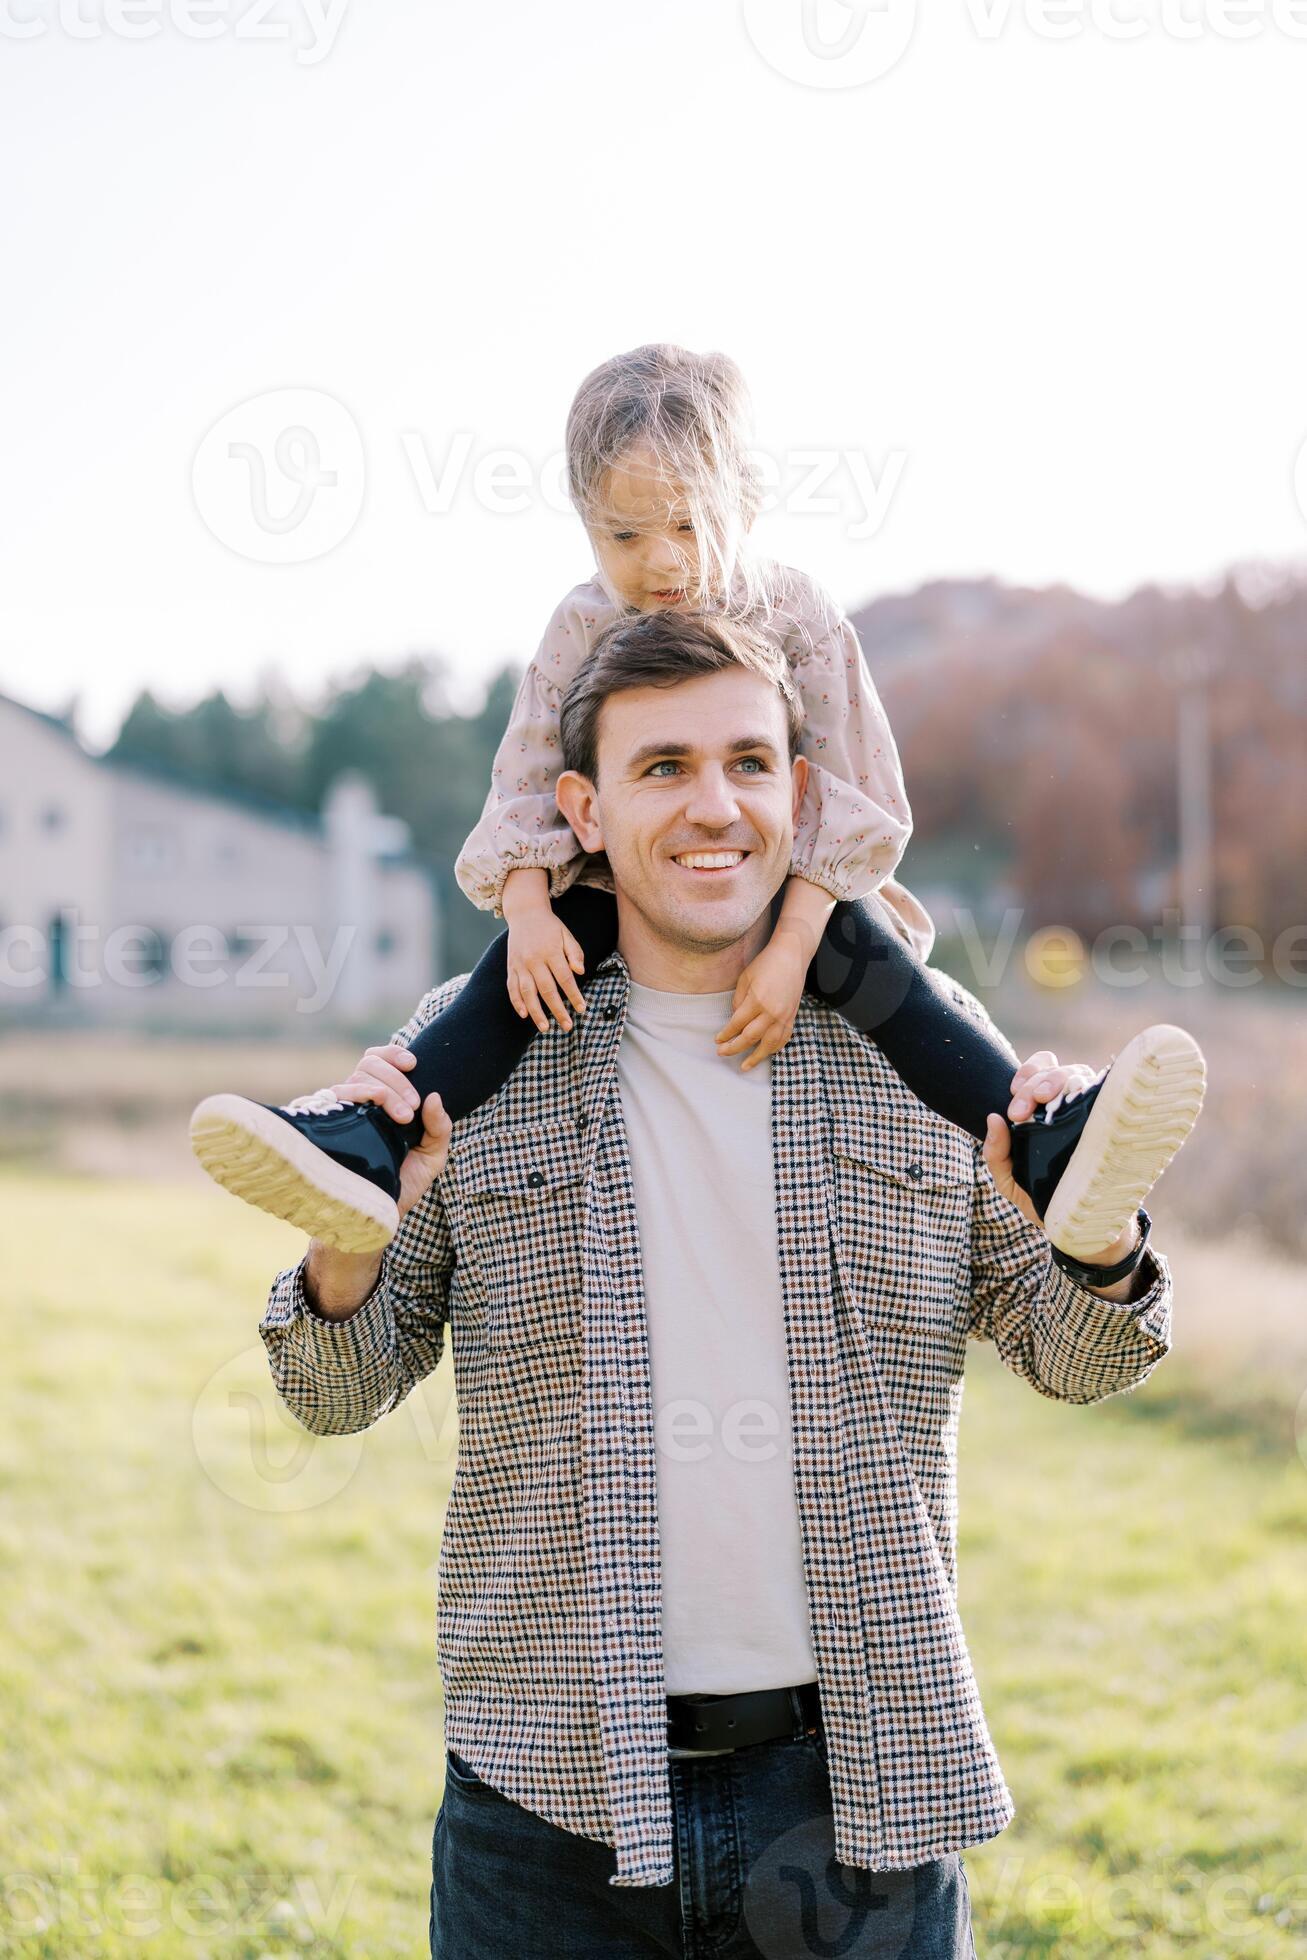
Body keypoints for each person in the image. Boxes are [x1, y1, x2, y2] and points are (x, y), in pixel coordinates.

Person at [260, 610, 1190, 1957]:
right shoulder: (463, 1067)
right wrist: (349, 1240)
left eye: (748, 764)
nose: (715, 807)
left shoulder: (918, 1054)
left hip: (855, 1794)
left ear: (798, 793)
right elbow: (329, 1395)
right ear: (577, 805)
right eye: (662, 769)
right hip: (547, 1796)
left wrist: (1090, 1244)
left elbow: (1082, 1359)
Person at [192, 342, 1205, 1267]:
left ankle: (1039, 1145)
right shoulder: (582, 621)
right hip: (605, 891)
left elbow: (848, 790)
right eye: (625, 533)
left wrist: (789, 945)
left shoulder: (795, 612)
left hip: (803, 891)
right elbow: (530, 776)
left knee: (882, 975)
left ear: (742, 502)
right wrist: (529, 909)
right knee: (509, 984)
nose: (663, 561)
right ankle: (373, 1138)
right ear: (586, 522)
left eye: (686, 524)